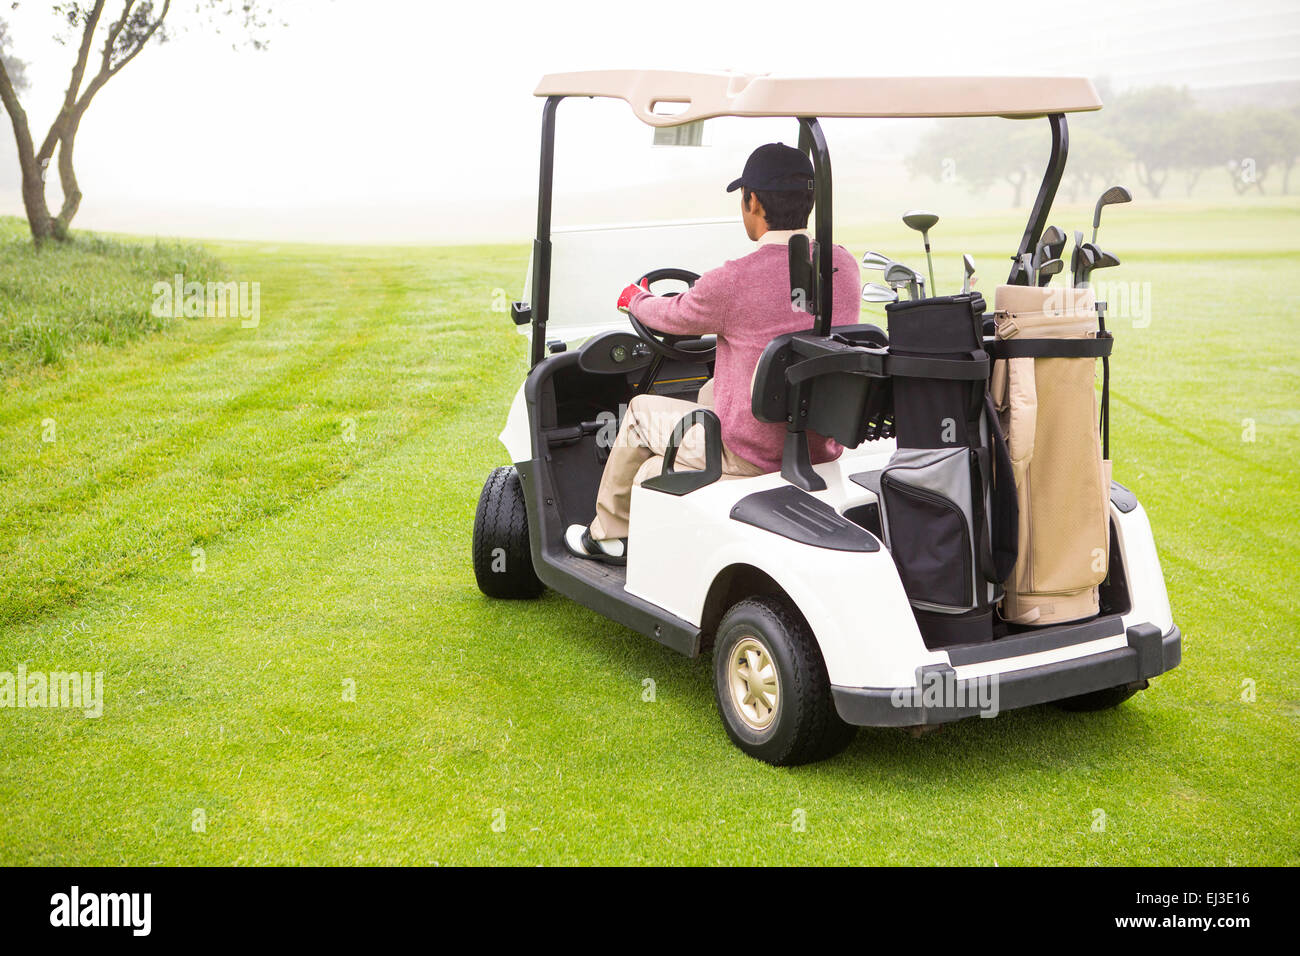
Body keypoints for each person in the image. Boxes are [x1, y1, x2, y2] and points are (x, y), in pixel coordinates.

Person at [564, 142, 862, 564]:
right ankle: (654, 485)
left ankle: (606, 532)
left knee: (638, 412)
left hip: (752, 451)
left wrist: (634, 298)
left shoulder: (733, 281)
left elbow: (672, 313)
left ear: (752, 200)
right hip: (818, 440)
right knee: (707, 395)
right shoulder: (843, 267)